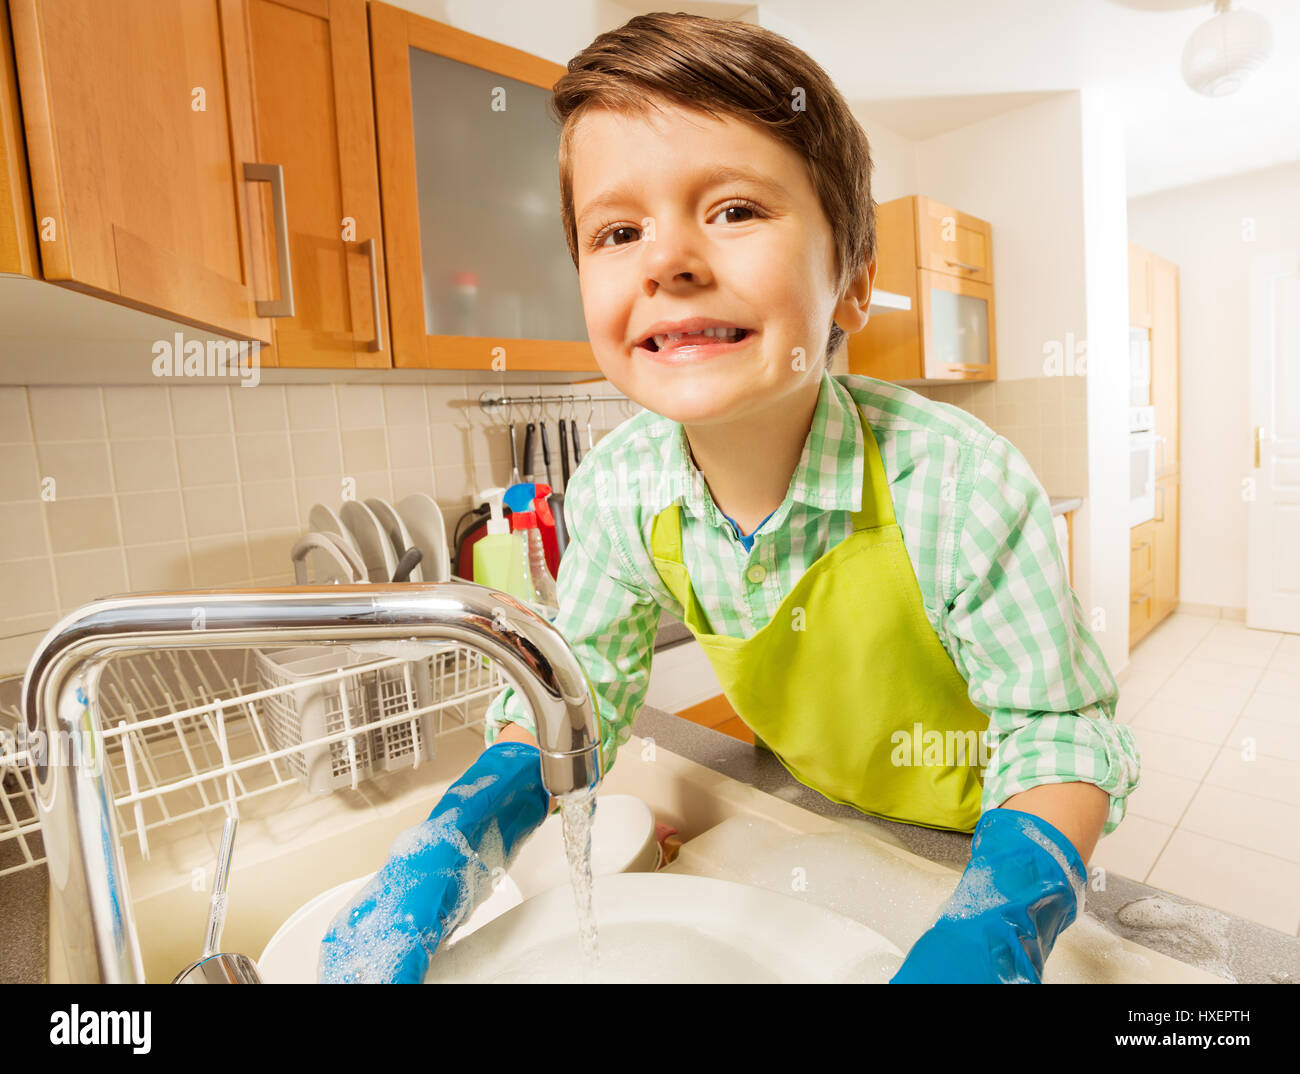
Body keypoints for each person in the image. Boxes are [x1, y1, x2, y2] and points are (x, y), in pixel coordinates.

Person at [319, 11, 1140, 984]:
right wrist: (453, 843)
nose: (667, 260)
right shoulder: (624, 488)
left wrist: (995, 929)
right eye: (618, 230)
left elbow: (1058, 734)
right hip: (818, 822)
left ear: (852, 280)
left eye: (736, 210)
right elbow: (574, 684)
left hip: (998, 846)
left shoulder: (957, 484)